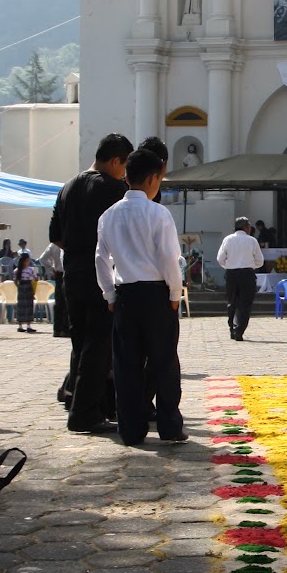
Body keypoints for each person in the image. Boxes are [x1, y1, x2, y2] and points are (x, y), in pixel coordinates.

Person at [95, 147, 187, 447]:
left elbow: (101, 259)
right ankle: (169, 425)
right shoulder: (158, 213)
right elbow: (169, 258)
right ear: (152, 178)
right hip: (157, 294)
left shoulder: (108, 215)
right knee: (164, 363)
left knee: (127, 365)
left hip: (125, 295)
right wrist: (175, 293)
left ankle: (131, 430)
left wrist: (109, 294)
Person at [49, 132, 132, 434]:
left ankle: (81, 402)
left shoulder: (67, 187)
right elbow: (121, 233)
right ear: (114, 161)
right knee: (98, 346)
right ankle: (84, 414)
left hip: (72, 274)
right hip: (101, 274)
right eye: (123, 166)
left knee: (80, 343)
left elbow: (55, 236)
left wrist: (78, 251)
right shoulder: (112, 188)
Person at [216, 216, 264, 340]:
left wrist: (230, 266)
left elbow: (220, 259)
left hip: (231, 274)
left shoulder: (228, 239)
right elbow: (260, 261)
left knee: (232, 301)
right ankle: (239, 330)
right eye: (248, 226)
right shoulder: (252, 240)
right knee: (245, 303)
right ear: (245, 227)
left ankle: (232, 328)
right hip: (247, 274)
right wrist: (250, 265)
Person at [39, 240, 70, 337]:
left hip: (58, 273)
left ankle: (57, 329)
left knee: (58, 302)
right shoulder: (67, 243)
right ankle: (65, 329)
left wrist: (50, 268)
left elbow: (43, 258)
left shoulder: (53, 245)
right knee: (66, 302)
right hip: (66, 273)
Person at [14, 250, 39, 333]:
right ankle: (28, 325)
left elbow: (15, 281)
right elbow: (36, 278)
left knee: (21, 306)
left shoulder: (17, 271)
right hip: (28, 287)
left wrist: (18, 286)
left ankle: (20, 325)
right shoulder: (30, 270)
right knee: (28, 306)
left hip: (21, 287)